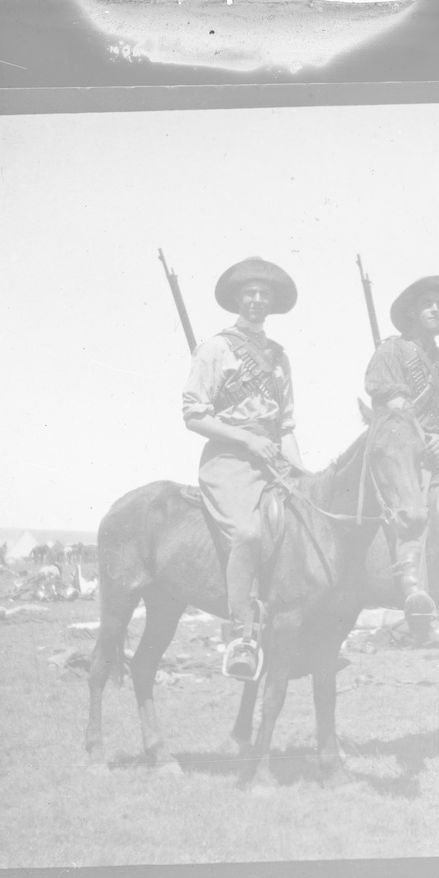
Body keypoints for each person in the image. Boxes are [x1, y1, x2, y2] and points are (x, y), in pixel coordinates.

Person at [182, 257, 306, 681]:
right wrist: (247, 439)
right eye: (250, 293)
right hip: (229, 460)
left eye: (264, 294)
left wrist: (300, 473)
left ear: (272, 303)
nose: (256, 300)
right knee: (249, 534)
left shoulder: (278, 357)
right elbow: (194, 415)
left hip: (272, 458)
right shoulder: (215, 349)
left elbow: (285, 426)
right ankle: (242, 637)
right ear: (238, 299)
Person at [364, 275, 439, 641]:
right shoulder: (391, 352)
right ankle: (414, 596)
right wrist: (428, 446)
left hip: (433, 447)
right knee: (414, 504)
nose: (435, 309)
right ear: (411, 311)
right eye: (427, 303)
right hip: (398, 450)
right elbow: (398, 410)